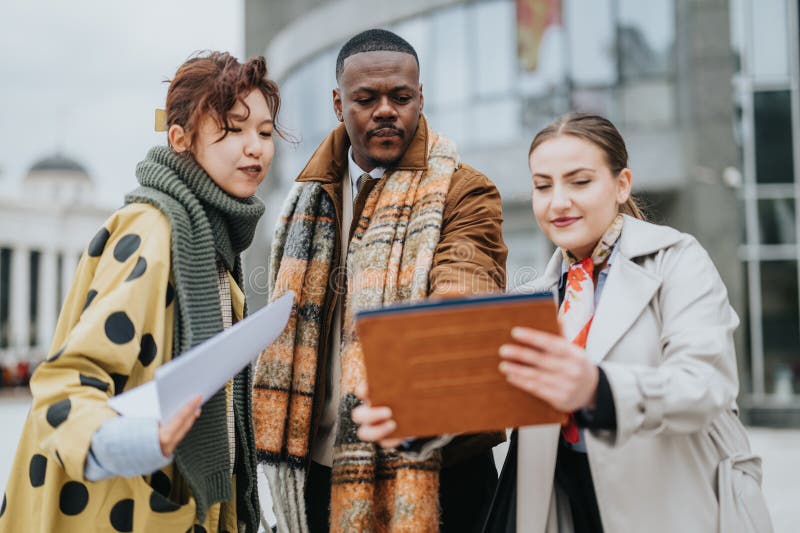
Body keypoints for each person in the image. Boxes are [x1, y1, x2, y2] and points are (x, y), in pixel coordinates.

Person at [0, 51, 280, 532]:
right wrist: (141, 442)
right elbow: (65, 384)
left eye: (266, 132)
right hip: (122, 511)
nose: (254, 147)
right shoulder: (153, 230)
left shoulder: (214, 242)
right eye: (233, 130)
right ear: (180, 139)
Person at [253, 29, 507, 533]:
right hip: (316, 475)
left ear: (420, 98)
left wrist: (440, 328)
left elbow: (467, 275)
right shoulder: (306, 197)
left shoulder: (465, 189)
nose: (386, 110)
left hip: (440, 467)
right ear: (337, 102)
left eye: (402, 97)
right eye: (366, 99)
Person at [482, 113, 773, 532]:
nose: (558, 201)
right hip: (570, 509)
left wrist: (598, 389)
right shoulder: (532, 298)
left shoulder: (678, 260)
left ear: (621, 185)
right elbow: (486, 400)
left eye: (579, 182)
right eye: (543, 185)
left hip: (674, 507)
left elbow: (705, 383)